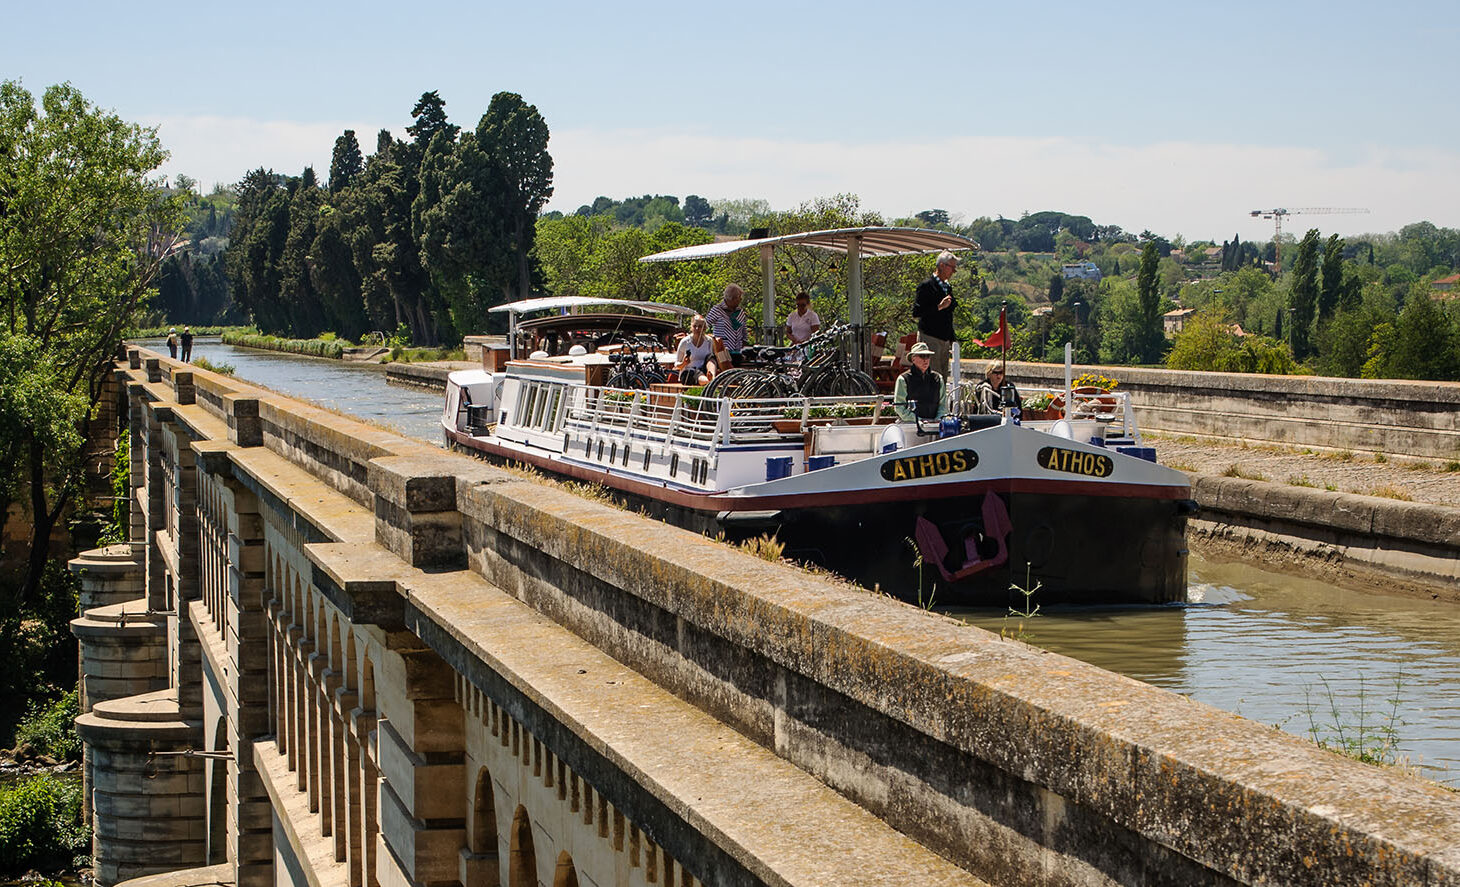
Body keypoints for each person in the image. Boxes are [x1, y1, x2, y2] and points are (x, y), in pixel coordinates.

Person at [911, 250, 959, 377]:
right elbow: (917, 312)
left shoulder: (947, 287)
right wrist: (939, 307)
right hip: (930, 336)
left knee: (942, 376)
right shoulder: (926, 286)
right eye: (952, 267)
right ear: (942, 266)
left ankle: (941, 397)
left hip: (944, 337)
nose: (954, 272)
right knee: (932, 374)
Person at [893, 341, 947, 422]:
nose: (925, 360)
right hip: (910, 424)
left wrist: (938, 419)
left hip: (935, 425)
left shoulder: (938, 378)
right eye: (922, 356)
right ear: (913, 359)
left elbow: (943, 405)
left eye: (928, 356)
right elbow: (899, 407)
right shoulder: (903, 379)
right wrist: (919, 420)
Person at [706, 284, 749, 367]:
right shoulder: (717, 310)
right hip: (722, 350)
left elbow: (744, 332)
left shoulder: (740, 312)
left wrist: (745, 349)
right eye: (739, 297)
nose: (740, 300)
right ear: (732, 298)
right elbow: (705, 324)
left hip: (738, 351)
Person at [675, 314, 718, 386]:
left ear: (704, 328)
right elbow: (677, 365)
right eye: (695, 326)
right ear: (691, 328)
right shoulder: (685, 342)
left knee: (711, 357)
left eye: (700, 326)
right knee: (697, 373)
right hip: (689, 373)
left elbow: (711, 359)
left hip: (704, 370)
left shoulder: (709, 341)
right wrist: (684, 363)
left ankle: (712, 377)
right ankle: (709, 381)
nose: (697, 329)